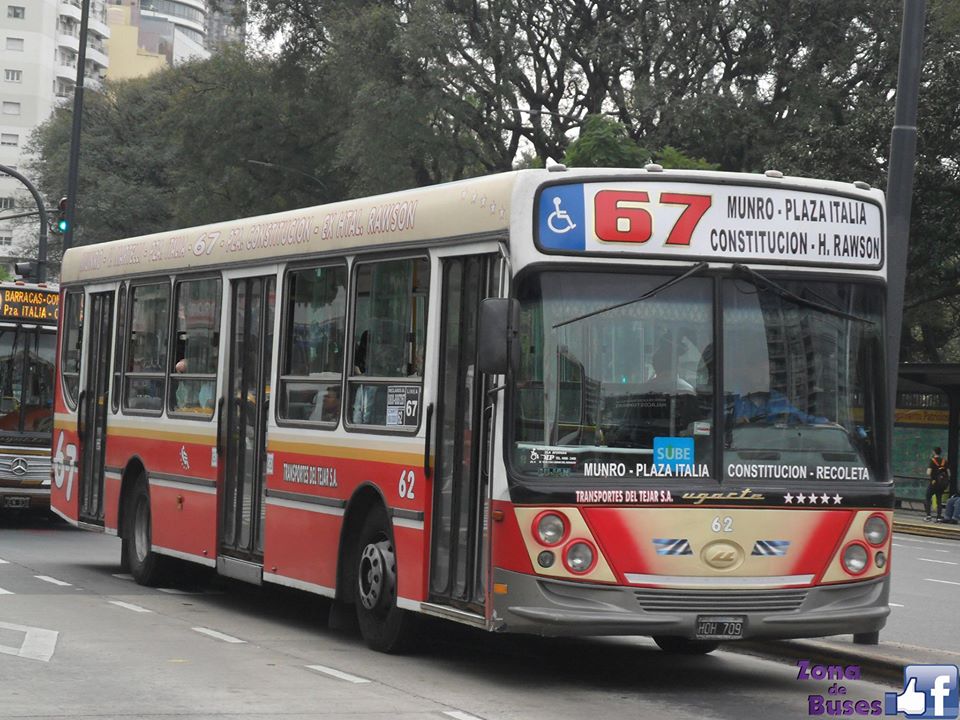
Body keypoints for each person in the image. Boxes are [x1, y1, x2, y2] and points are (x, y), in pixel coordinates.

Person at [924, 446, 949, 521]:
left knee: (928, 497)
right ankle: (938, 516)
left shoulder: (932, 460)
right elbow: (949, 473)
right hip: (941, 484)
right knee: (939, 499)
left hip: (933, 483)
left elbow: (928, 472)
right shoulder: (944, 461)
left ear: (934, 452)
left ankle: (928, 516)